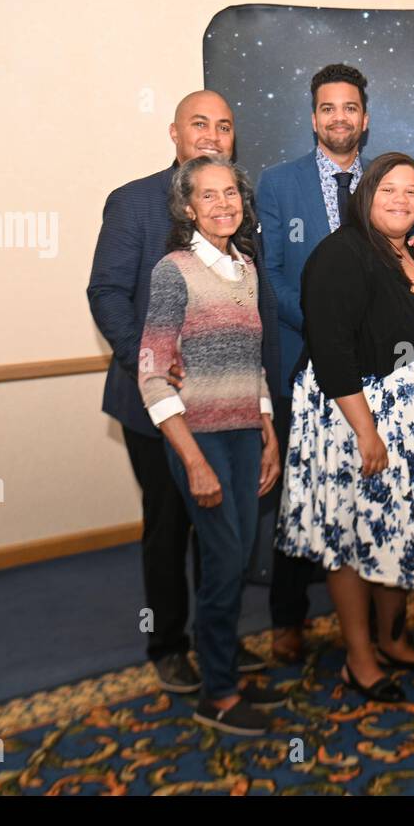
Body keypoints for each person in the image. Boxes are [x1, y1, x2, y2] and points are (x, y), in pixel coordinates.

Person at [87, 90, 275, 694]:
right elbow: (107, 292)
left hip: (228, 406)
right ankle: (168, 644)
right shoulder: (134, 201)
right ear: (175, 133)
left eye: (224, 125)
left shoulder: (236, 210)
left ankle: (214, 638)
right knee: (170, 531)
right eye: (200, 124)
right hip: (158, 407)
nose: (212, 135)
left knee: (222, 538)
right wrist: (151, 361)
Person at [276, 153, 414, 703]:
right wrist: (367, 433)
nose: (401, 199)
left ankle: (394, 641)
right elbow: (332, 353)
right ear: (365, 194)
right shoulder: (340, 254)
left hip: (412, 424)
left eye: (412, 191)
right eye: (388, 188)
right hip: (353, 420)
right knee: (352, 537)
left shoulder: (412, 253)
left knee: (396, 532)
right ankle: (359, 659)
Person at [258, 65, 414, 663]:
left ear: (365, 117)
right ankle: (289, 618)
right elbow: (270, 273)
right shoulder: (279, 183)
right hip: (310, 363)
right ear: (314, 118)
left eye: (351, 107)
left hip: (386, 377)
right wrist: (328, 323)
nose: (340, 117)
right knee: (315, 504)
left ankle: (388, 637)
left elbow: (401, 274)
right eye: (328, 107)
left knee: (382, 513)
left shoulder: (386, 183)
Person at [137, 156, 287, 735]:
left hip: (247, 436)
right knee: (224, 563)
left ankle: (222, 672)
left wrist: (267, 430)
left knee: (237, 560)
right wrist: (193, 460)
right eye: (209, 195)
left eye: (231, 193)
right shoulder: (173, 271)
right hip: (199, 439)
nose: (224, 204)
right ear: (187, 207)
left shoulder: (245, 268)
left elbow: (252, 363)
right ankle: (218, 694)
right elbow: (152, 374)